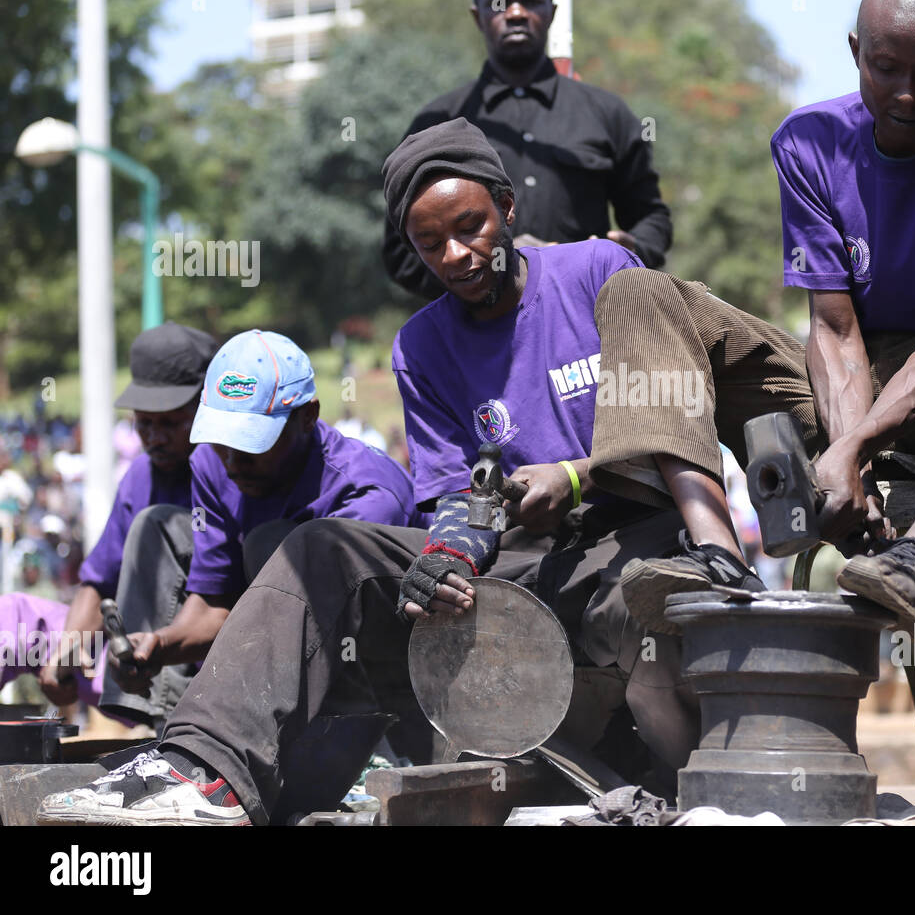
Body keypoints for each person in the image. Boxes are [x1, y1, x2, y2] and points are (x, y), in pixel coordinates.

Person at [39, 122, 696, 826]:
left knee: (654, 602)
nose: (455, 255)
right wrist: (445, 556)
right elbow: (460, 496)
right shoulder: (421, 346)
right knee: (321, 547)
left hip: (636, 543)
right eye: (428, 243)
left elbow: (675, 428)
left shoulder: (600, 271)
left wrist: (572, 476)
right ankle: (206, 772)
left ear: (508, 207)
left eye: (470, 227)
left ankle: (687, 778)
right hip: (521, 569)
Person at [623, 0, 915, 631]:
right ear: (856, 50)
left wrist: (850, 451)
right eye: (885, 67)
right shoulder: (807, 143)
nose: (909, 95)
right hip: (851, 389)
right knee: (640, 293)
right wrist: (844, 456)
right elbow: (832, 329)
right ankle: (714, 553)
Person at [98, 329, 418, 726]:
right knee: (158, 523)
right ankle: (175, 727)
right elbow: (214, 604)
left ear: (307, 417)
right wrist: (159, 646)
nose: (232, 463)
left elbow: (333, 621)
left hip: (381, 665)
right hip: (271, 639)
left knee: (277, 544)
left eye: (251, 445)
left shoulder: (369, 493)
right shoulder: (212, 466)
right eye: (222, 442)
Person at [380, 0, 672, 299]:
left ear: (552, 11)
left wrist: (629, 249)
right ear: (478, 16)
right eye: (500, 2)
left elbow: (652, 218)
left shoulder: (608, 113)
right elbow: (401, 253)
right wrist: (487, 272)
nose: (516, 12)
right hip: (481, 338)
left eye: (531, 1)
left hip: (589, 319)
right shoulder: (437, 122)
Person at [0, 323, 215, 712]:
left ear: (205, 410)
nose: (154, 437)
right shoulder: (140, 476)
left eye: (169, 423)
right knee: (11, 619)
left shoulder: (233, 472)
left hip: (209, 667)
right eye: (144, 423)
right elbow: (98, 582)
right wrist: (68, 650)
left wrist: (164, 643)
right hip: (131, 663)